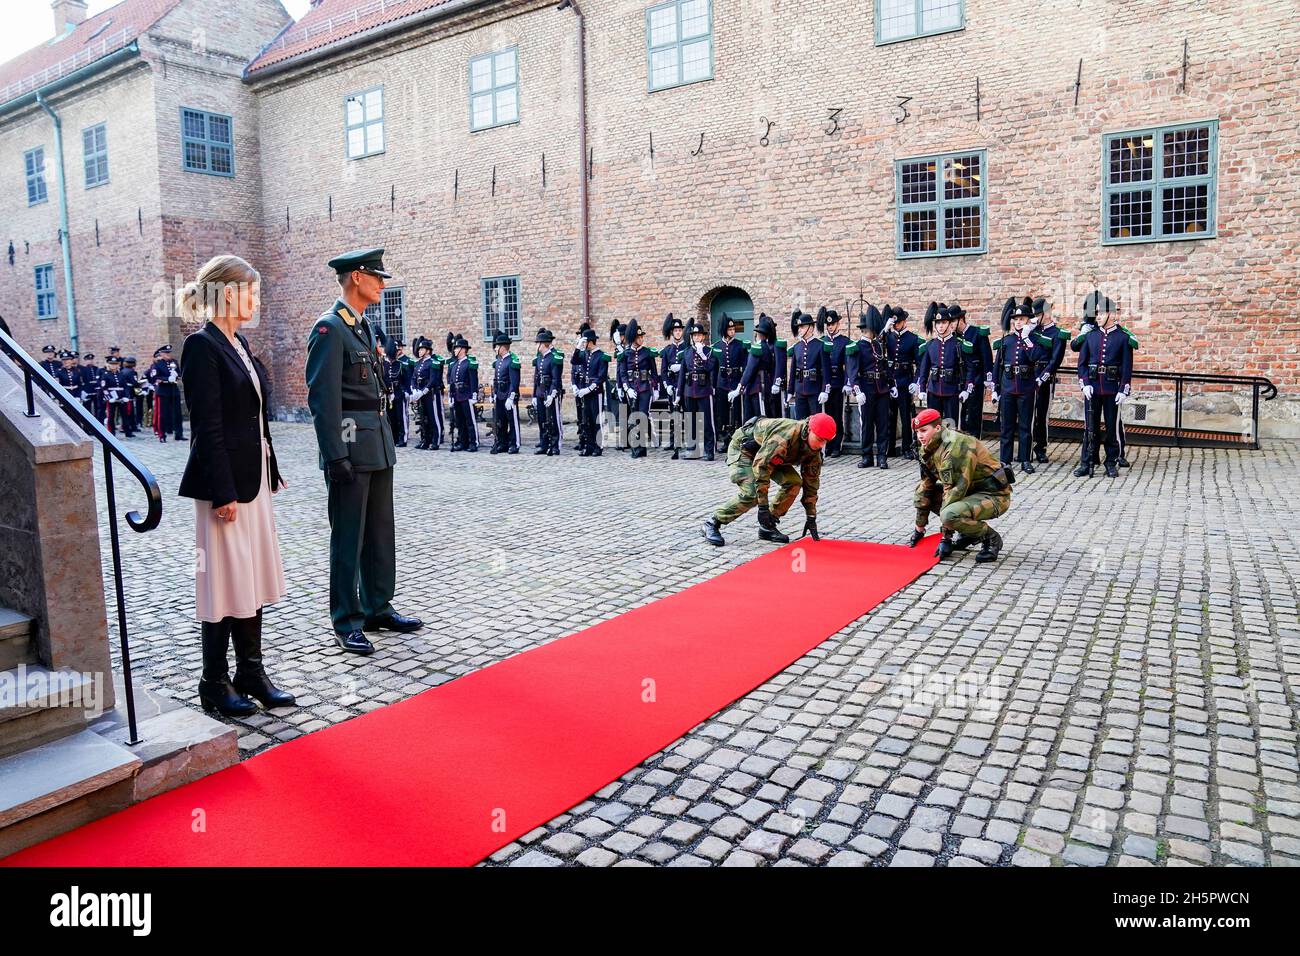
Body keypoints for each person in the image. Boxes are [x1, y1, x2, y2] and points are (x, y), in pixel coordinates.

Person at [176, 254, 294, 715]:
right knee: (223, 582)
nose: (256, 300)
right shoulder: (202, 346)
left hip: (255, 480)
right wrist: (223, 492)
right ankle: (214, 681)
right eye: (251, 291)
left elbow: (255, 416)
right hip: (225, 487)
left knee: (251, 576)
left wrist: (272, 469)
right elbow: (207, 427)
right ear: (228, 293)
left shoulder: (238, 342)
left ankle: (251, 671)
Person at [305, 247, 423, 655]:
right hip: (351, 447)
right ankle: (346, 619)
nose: (382, 284)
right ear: (356, 277)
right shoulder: (329, 329)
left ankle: (377, 606)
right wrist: (335, 455)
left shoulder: (364, 328)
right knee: (349, 535)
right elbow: (323, 400)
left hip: (377, 440)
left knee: (378, 532)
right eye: (376, 276)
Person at [702, 412, 834, 547]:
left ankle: (768, 525)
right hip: (745, 450)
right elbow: (762, 469)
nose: (821, 445)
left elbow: (811, 484)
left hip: (771, 455)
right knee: (752, 493)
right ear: (809, 430)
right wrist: (763, 507)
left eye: (825, 441)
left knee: (794, 482)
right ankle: (712, 522)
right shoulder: (785, 436)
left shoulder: (814, 451)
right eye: (819, 439)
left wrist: (811, 516)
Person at [908, 407, 1011, 563]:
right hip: (970, 493)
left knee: (949, 514)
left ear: (937, 428)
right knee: (926, 494)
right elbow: (925, 486)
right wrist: (919, 530)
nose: (920, 436)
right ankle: (969, 533)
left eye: (923, 430)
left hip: (993, 496)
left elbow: (954, 492)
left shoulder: (955, 447)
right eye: (917, 432)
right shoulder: (929, 445)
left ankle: (991, 539)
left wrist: (945, 538)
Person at [1074, 293, 1134, 479]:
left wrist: (1123, 388)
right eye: (1097, 313)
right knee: (1089, 427)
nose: (1097, 317)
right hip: (1092, 388)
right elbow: (1082, 364)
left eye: (1101, 313)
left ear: (1113, 314)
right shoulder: (1090, 336)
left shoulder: (1123, 338)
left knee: (1111, 427)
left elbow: (1126, 366)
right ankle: (1086, 461)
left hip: (1111, 388)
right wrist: (1084, 384)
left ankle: (1111, 462)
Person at [992, 297, 1044, 474]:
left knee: (1025, 426)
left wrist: (1027, 338)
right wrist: (995, 388)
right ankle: (1005, 461)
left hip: (1026, 387)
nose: (1019, 322)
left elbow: (1036, 357)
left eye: (1022, 319)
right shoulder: (1006, 341)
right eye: (1016, 319)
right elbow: (998, 365)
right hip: (1007, 387)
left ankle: (1025, 459)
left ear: (1028, 321)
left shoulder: (1034, 339)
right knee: (1006, 426)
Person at [849, 304, 894, 469]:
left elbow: (884, 367)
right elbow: (852, 373)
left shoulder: (878, 345)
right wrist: (857, 391)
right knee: (867, 425)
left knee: (883, 424)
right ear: (864, 329)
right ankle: (867, 456)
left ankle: (882, 456)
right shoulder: (856, 347)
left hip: (881, 388)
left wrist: (891, 384)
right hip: (866, 389)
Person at [916, 302, 974, 426]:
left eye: (943, 323)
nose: (940, 326)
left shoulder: (958, 344)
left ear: (949, 324)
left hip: (952, 391)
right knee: (933, 425)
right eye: (938, 323)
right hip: (933, 390)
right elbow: (924, 369)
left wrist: (966, 389)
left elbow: (970, 369)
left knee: (950, 426)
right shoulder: (930, 345)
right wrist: (922, 388)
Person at [1030, 296, 1069, 464]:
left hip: (1044, 377)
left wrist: (1042, 378)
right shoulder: (1033, 331)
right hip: (1029, 375)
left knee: (1042, 413)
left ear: (1046, 313)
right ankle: (1027, 446)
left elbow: (1055, 361)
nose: (1034, 319)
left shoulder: (1057, 334)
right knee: (1027, 413)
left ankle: (1041, 447)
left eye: (1037, 315)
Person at [675, 317, 718, 460]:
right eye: (694, 335)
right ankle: (692, 450)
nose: (696, 337)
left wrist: (701, 354)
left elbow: (710, 368)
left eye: (699, 335)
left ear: (703, 336)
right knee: (690, 421)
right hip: (689, 390)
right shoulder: (687, 352)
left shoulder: (709, 352)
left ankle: (709, 451)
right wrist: (679, 393)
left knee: (707, 422)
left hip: (704, 390)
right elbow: (682, 373)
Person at [618, 319, 658, 458]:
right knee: (634, 417)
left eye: (642, 337)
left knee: (643, 416)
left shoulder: (647, 352)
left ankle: (642, 448)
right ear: (633, 338)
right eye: (638, 337)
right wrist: (627, 388)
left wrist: (655, 387)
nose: (641, 339)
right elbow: (622, 374)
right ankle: (636, 448)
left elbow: (654, 371)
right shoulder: (625, 354)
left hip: (645, 388)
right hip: (632, 389)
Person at [886, 305, 922, 459]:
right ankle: (891, 447)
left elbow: (920, 364)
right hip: (891, 381)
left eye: (898, 322)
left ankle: (907, 447)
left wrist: (916, 382)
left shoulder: (912, 339)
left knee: (906, 416)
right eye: (894, 323)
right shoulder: (887, 337)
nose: (896, 325)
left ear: (904, 321)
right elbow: (876, 345)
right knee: (890, 415)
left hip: (905, 380)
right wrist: (885, 329)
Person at [738, 313, 784, 420]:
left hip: (766, 383)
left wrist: (776, 383)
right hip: (756, 384)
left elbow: (778, 367)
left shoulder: (774, 345)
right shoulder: (761, 346)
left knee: (766, 416)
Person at [820, 308, 852, 457]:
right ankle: (827, 444)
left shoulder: (844, 341)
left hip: (838, 382)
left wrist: (847, 382)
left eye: (833, 324)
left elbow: (848, 365)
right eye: (828, 325)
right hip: (824, 384)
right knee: (825, 416)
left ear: (838, 324)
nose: (830, 327)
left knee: (837, 416)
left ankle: (837, 444)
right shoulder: (822, 341)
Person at [788, 310, 830, 420]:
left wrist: (825, 390)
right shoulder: (797, 347)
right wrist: (790, 391)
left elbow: (826, 370)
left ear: (811, 328)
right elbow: (793, 371)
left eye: (802, 326)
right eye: (799, 327)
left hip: (815, 390)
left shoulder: (820, 345)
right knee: (800, 423)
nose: (799, 329)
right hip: (799, 390)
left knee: (816, 422)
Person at [573, 325, 609, 455]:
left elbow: (601, 377)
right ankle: (589, 446)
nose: (584, 345)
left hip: (595, 392)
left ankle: (598, 447)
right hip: (585, 391)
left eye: (585, 342)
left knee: (596, 419)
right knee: (586, 420)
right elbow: (574, 361)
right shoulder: (584, 354)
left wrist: (588, 389)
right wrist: (578, 347)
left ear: (591, 341)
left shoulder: (601, 356)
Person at [714, 313, 747, 444]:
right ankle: (726, 440)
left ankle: (736, 439)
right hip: (721, 383)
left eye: (734, 329)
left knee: (736, 413)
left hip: (735, 382)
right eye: (730, 329)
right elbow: (714, 368)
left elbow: (745, 366)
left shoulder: (740, 345)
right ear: (724, 330)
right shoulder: (716, 346)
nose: (733, 332)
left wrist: (741, 385)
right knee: (723, 413)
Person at [531, 327, 563, 455]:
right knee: (542, 420)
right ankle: (544, 444)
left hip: (550, 392)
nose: (537, 346)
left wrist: (552, 395)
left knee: (553, 419)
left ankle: (555, 445)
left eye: (538, 343)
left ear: (543, 344)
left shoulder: (553, 358)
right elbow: (536, 377)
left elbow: (556, 379)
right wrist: (534, 395)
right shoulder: (539, 359)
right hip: (540, 392)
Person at [490, 330, 521, 454]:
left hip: (508, 394)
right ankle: (502, 443)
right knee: (500, 421)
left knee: (512, 421)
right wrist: (494, 394)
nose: (495, 348)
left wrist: (511, 397)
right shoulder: (498, 361)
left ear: (503, 347)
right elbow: (496, 379)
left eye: (497, 346)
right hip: (500, 394)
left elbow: (514, 382)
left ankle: (515, 443)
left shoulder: (512, 361)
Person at [447, 335, 479, 452]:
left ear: (463, 349)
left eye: (456, 348)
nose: (454, 350)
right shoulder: (454, 364)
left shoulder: (469, 363)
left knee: (470, 420)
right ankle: (462, 441)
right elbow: (451, 382)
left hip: (466, 395)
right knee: (459, 421)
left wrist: (474, 395)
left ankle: (473, 442)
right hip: (457, 396)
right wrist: (450, 396)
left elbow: (473, 380)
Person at [660, 314, 685, 459]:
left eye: (680, 331)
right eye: (675, 331)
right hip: (672, 386)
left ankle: (688, 440)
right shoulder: (668, 350)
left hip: (683, 386)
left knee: (686, 413)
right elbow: (663, 371)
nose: (677, 333)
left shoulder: (687, 347)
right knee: (672, 414)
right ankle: (672, 440)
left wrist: (680, 367)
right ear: (672, 333)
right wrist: (667, 385)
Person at [149, 344, 184, 442]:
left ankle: (179, 434)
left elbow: (180, 373)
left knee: (177, 413)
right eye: (166, 353)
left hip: (173, 389)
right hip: (163, 390)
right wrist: (167, 378)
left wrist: (176, 375)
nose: (168, 355)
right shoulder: (157, 364)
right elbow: (154, 377)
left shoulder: (174, 362)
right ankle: (162, 435)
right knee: (162, 414)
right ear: (162, 354)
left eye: (169, 353)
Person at [381, 340, 409, 447]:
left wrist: (406, 391)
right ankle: (394, 438)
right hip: (389, 395)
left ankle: (403, 438)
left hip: (399, 393)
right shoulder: (384, 365)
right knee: (391, 418)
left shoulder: (401, 365)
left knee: (401, 418)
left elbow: (406, 380)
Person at [571, 323, 593, 454]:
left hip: (586, 387)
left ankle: (587, 440)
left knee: (587, 417)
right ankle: (581, 440)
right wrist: (573, 385)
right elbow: (573, 370)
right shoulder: (579, 352)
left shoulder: (586, 354)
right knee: (580, 415)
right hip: (578, 387)